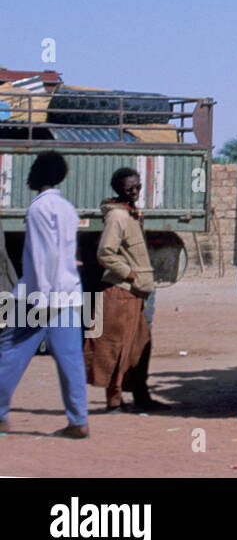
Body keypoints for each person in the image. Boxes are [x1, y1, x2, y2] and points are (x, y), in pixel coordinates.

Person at [0, 151, 90, 438]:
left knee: (9, 353)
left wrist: (38, 301)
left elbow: (42, 258)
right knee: (71, 360)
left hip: (39, 297)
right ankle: (79, 420)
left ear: (36, 174)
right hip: (69, 295)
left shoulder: (38, 209)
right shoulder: (67, 208)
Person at [84, 167, 159, 412]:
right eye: (130, 188)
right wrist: (130, 274)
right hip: (120, 292)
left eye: (138, 186)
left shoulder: (130, 215)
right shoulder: (118, 217)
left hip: (134, 293)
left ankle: (141, 396)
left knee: (138, 346)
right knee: (116, 347)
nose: (135, 191)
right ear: (119, 189)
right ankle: (114, 401)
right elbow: (105, 253)